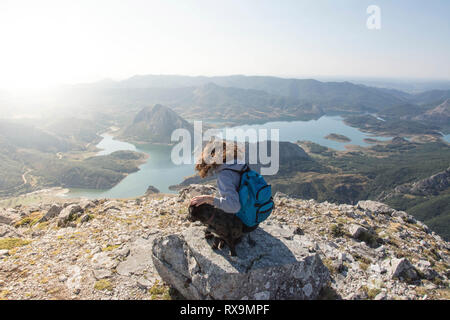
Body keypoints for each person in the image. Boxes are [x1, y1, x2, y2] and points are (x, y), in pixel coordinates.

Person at [190, 140, 258, 232]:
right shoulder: (238, 164)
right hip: (255, 217)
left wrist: (208, 198)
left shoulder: (225, 175)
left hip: (245, 225)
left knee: (210, 211)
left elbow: (234, 206)